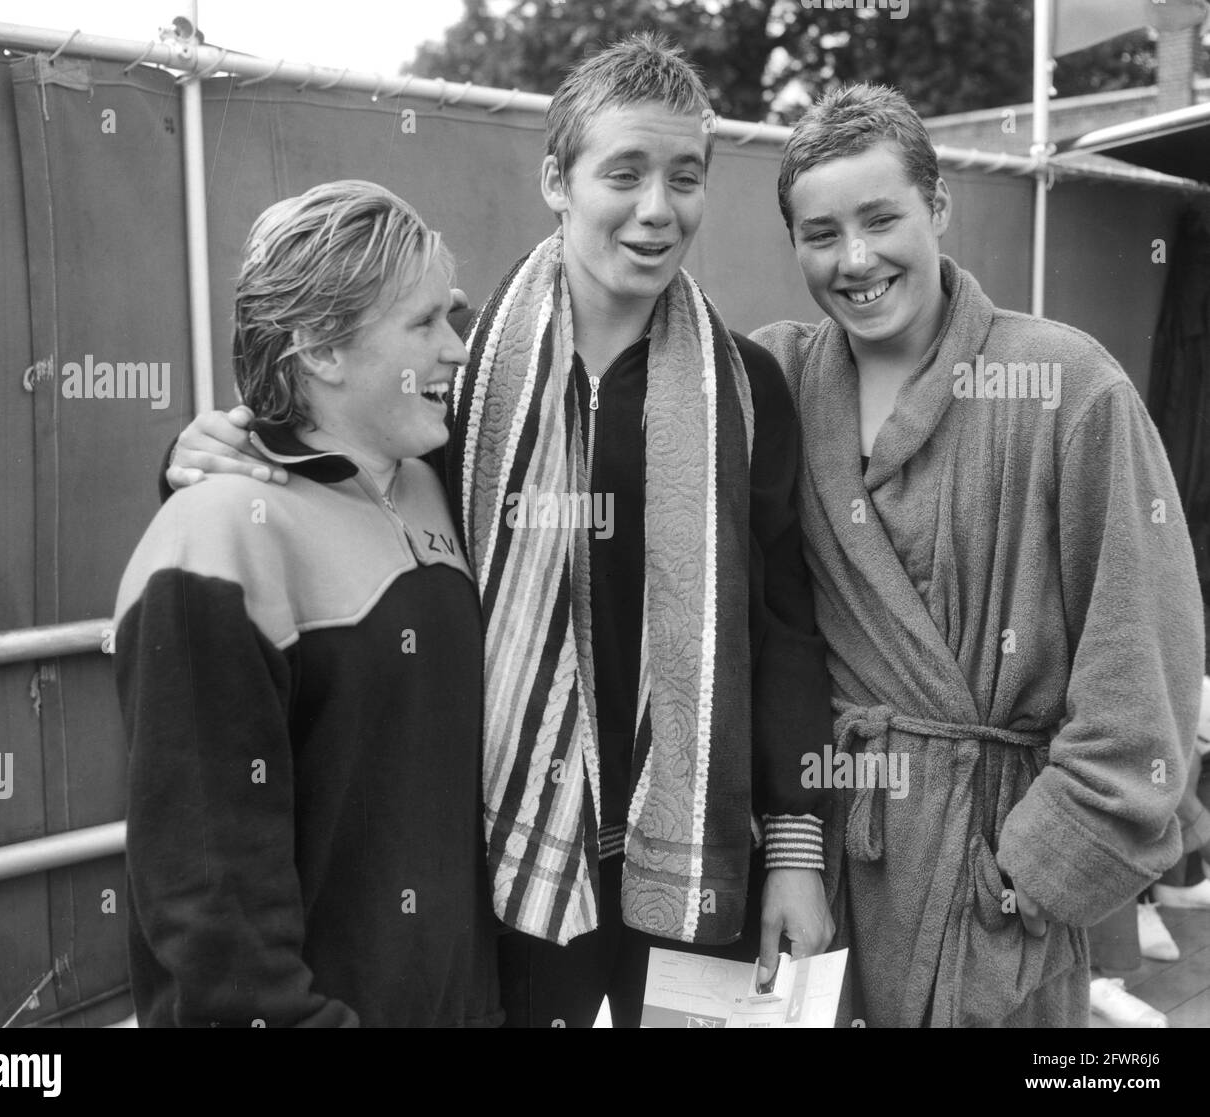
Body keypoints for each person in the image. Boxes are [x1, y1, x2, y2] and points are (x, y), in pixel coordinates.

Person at [163, 33, 836, 1028]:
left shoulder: (747, 390)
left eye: (685, 177)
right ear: (555, 179)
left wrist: (794, 855)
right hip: (509, 865)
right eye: (626, 172)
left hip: (696, 859)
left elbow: (780, 630)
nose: (658, 208)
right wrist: (205, 454)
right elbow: (325, 481)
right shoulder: (456, 386)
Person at [750, 84, 1204, 1027]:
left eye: (882, 219)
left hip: (996, 894)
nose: (856, 259)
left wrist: (1024, 880)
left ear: (940, 206)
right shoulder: (780, 380)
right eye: (821, 233)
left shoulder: (1069, 388)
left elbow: (1144, 682)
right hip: (827, 870)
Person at [113, 180, 502, 1027]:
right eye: (425, 323)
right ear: (322, 349)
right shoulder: (214, 536)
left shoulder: (443, 488)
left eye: (455, 317)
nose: (458, 350)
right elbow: (206, 886)